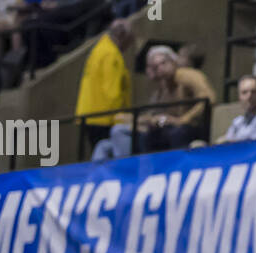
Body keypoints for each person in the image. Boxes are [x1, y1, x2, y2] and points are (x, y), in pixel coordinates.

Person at [137, 45, 215, 152]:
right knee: (147, 136)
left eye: (163, 63)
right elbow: (157, 112)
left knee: (178, 133)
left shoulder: (189, 76)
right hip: (171, 127)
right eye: (156, 67)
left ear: (173, 61)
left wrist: (183, 119)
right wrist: (155, 120)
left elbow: (209, 98)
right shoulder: (162, 86)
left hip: (193, 126)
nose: (160, 68)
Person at [75, 19, 133, 153]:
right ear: (122, 36)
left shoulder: (100, 48)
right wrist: (119, 119)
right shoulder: (111, 54)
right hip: (104, 118)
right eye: (130, 39)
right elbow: (111, 91)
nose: (130, 44)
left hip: (90, 114)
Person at [218, 75, 256, 143]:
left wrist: (226, 140)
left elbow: (251, 143)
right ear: (239, 97)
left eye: (253, 92)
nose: (249, 96)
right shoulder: (237, 121)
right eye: (244, 92)